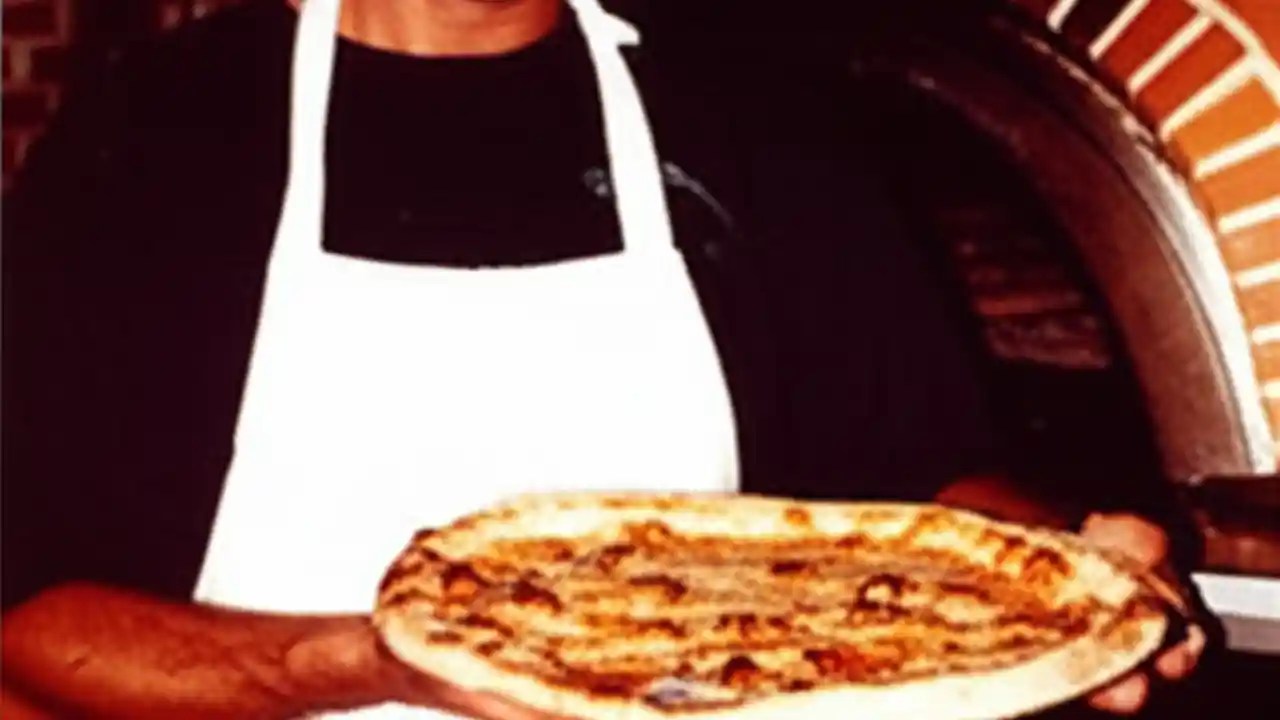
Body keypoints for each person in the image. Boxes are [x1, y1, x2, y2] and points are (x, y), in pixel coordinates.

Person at [1, 0, 1209, 717]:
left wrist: (1066, 581)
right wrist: (369, 663)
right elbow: (29, 617)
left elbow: (932, 491)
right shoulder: (162, 136)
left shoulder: (755, 130)